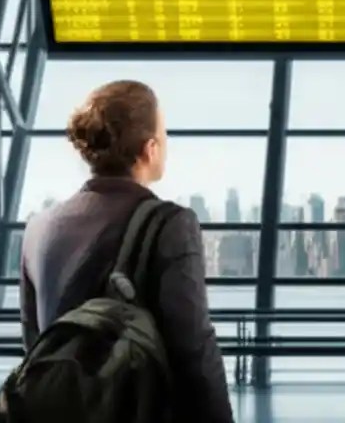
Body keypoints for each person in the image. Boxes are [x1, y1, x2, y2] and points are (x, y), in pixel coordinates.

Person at [19, 80, 234, 423]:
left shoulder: (37, 228)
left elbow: (36, 345)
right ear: (150, 149)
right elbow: (193, 350)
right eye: (164, 136)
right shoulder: (172, 224)